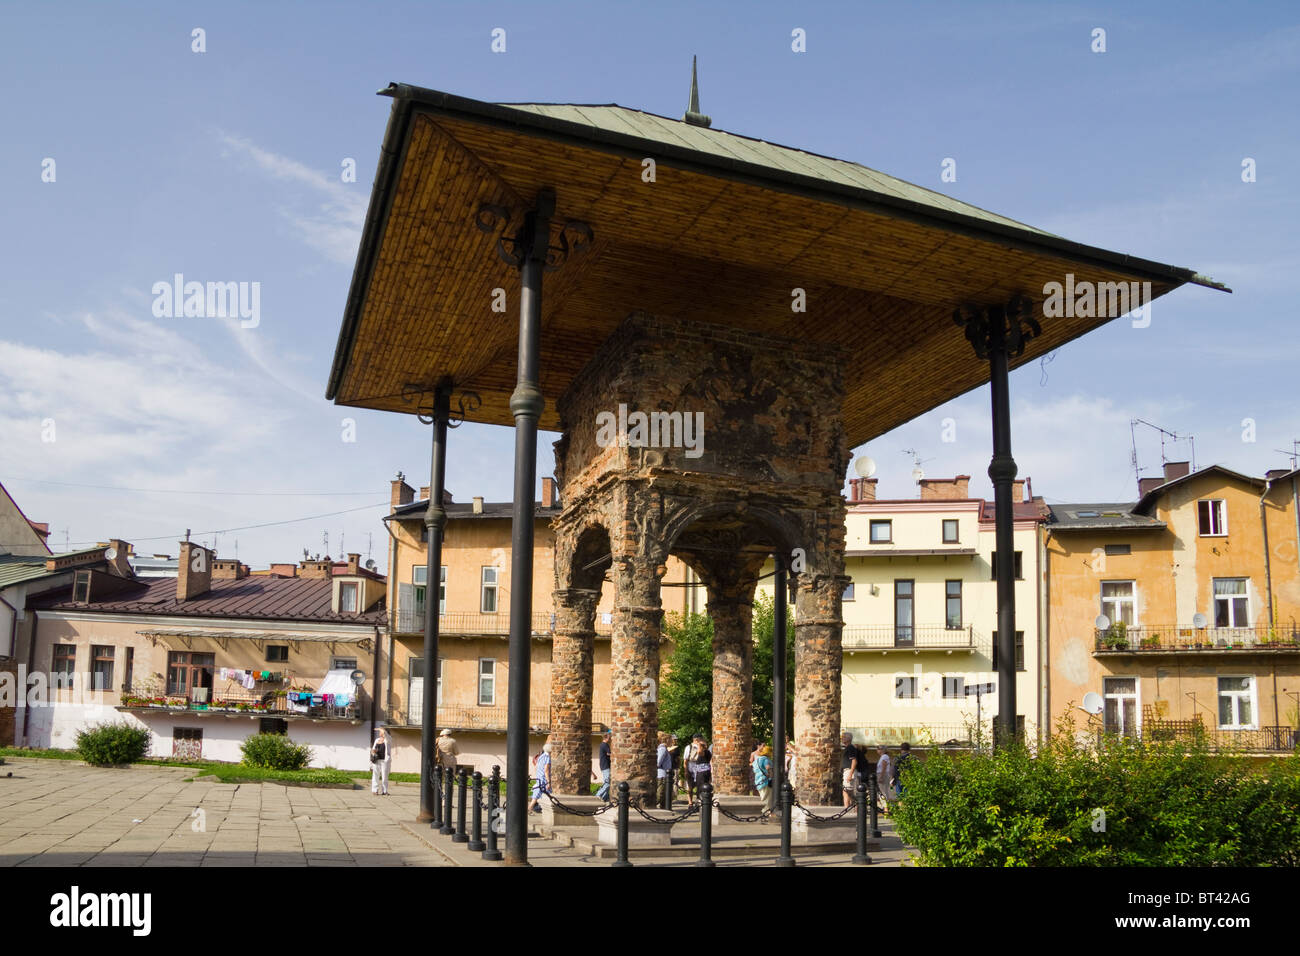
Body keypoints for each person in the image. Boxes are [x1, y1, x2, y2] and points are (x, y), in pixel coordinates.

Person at [752, 743, 774, 815]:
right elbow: (768, 767)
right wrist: (770, 775)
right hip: (765, 780)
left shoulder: (758, 759)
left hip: (758, 780)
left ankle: (764, 811)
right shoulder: (766, 759)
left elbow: (754, 769)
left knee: (762, 795)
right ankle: (766, 812)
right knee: (767, 797)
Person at [531, 741, 553, 813]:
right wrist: (548, 782)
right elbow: (546, 770)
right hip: (543, 779)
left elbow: (536, 767)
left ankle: (530, 809)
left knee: (537, 796)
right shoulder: (547, 757)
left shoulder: (541, 757)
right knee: (539, 797)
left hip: (539, 778)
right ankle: (529, 809)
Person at [370, 726, 392, 796]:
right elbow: (373, 749)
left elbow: (386, 735)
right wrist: (373, 751)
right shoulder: (377, 740)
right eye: (380, 731)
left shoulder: (388, 739)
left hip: (384, 761)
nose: (379, 732)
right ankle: (375, 790)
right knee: (375, 775)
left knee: (384, 776)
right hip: (376, 760)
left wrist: (382, 729)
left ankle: (384, 791)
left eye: (381, 731)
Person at [840, 731, 860, 807]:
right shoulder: (848, 748)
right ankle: (850, 810)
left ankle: (848, 811)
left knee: (847, 792)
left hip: (849, 771)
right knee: (847, 792)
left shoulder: (850, 748)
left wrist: (850, 774)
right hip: (847, 771)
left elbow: (854, 761)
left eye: (844, 737)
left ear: (849, 739)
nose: (842, 739)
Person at [656, 733, 673, 808]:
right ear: (666, 740)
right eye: (670, 739)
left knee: (664, 793)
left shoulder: (664, 749)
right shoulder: (662, 749)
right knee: (661, 793)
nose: (672, 741)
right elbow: (658, 762)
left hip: (665, 774)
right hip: (662, 774)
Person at [876, 746, 894, 814]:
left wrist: (881, 776)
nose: (877, 750)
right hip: (882, 774)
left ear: (883, 750)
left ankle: (886, 808)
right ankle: (885, 807)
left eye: (879, 749)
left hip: (882, 774)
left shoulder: (884, 756)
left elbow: (884, 766)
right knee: (883, 791)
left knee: (883, 791)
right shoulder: (883, 757)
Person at [596, 730, 612, 802]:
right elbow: (609, 754)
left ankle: (604, 798)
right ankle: (598, 795)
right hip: (605, 766)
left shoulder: (602, 745)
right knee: (607, 782)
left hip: (604, 765)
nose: (611, 738)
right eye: (610, 737)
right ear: (607, 737)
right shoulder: (605, 745)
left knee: (608, 782)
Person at [684, 735, 700, 802]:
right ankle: (691, 803)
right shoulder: (689, 747)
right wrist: (686, 770)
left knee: (691, 786)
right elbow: (685, 760)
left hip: (695, 768)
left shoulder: (689, 747)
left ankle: (692, 802)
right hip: (693, 768)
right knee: (690, 786)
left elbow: (685, 760)